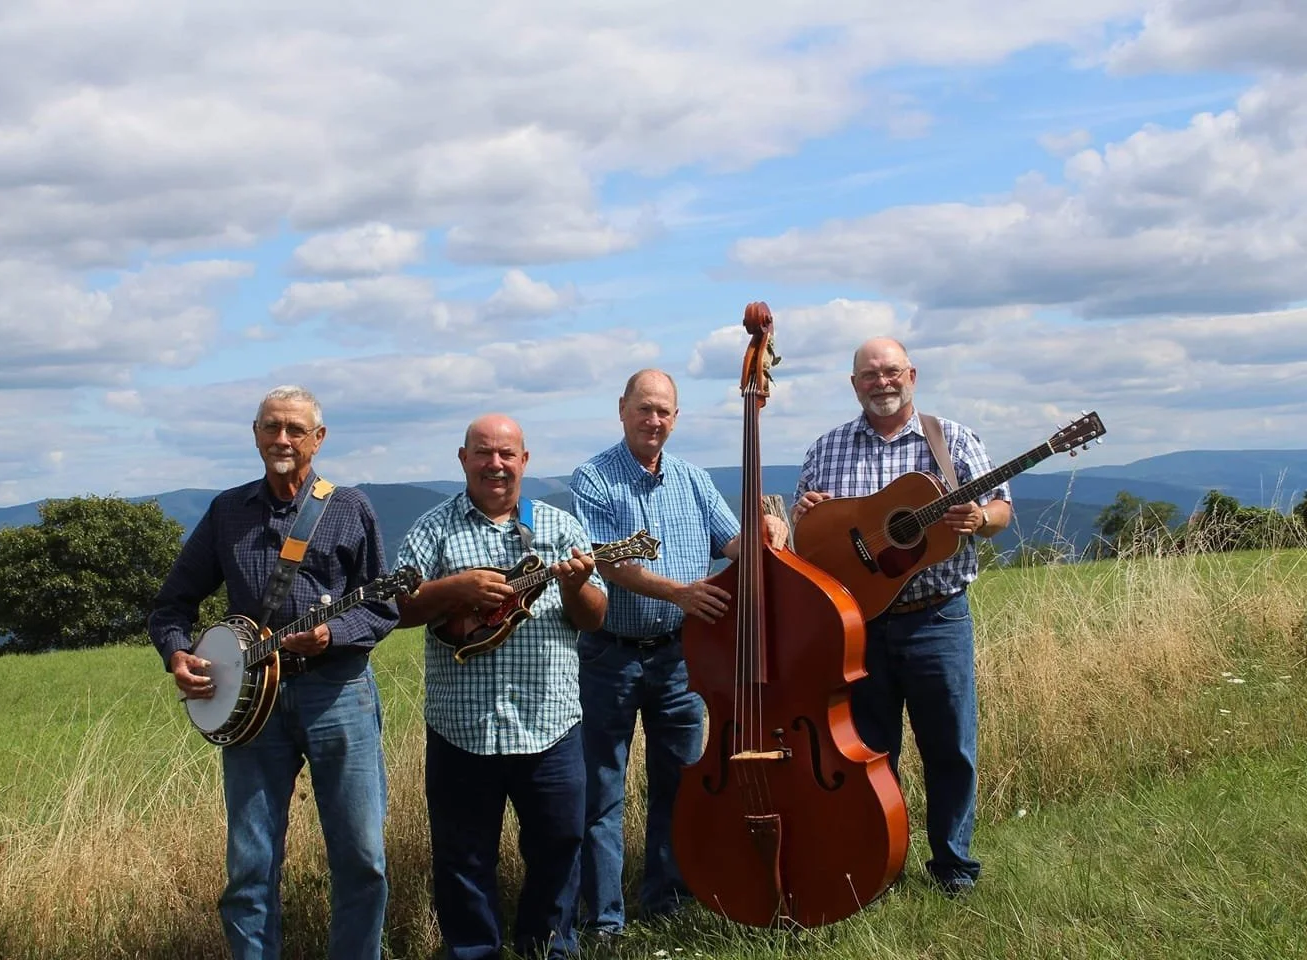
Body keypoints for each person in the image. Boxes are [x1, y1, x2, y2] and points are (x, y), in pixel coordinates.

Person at [147, 385, 398, 960]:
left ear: (319, 438)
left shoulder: (350, 507)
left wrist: (334, 633)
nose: (281, 439)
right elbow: (171, 606)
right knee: (250, 866)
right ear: (255, 434)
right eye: (269, 428)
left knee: (362, 859)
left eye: (293, 429)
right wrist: (177, 654)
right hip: (252, 704)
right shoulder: (227, 511)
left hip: (339, 694)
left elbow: (384, 605)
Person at [568, 369, 787, 940]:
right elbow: (606, 563)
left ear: (676, 417)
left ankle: (667, 902)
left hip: (679, 659)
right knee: (601, 792)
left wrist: (765, 534)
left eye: (664, 411)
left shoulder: (693, 479)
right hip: (608, 656)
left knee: (681, 785)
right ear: (622, 410)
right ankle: (605, 921)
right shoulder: (593, 478)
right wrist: (680, 592)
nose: (654, 421)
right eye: (644, 409)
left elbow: (731, 542)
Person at [791, 338, 1011, 896]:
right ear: (854, 383)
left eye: (891, 371)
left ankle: (953, 868)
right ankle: (875, 867)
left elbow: (1003, 510)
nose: (881, 382)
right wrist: (806, 514)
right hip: (858, 626)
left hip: (936, 618)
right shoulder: (828, 447)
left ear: (911, 373)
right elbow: (809, 539)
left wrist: (978, 518)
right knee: (869, 750)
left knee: (951, 747)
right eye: (869, 374)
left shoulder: (952, 439)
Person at [394, 414, 608, 960]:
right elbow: (395, 608)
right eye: (483, 453)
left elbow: (594, 617)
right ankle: (473, 953)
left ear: (525, 461)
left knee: (560, 850)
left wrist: (581, 585)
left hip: (549, 725)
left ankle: (549, 950)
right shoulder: (433, 530)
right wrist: (453, 588)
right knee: (463, 862)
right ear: (462, 459)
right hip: (462, 728)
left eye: (507, 454)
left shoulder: (559, 528)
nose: (495, 464)